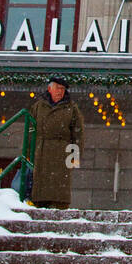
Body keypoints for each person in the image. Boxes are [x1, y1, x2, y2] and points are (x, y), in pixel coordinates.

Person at [27, 76, 84, 209]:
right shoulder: (38, 107)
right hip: (41, 152)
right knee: (40, 191)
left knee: (59, 193)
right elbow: (30, 130)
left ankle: (59, 206)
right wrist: (30, 152)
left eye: (63, 89)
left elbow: (78, 134)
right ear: (49, 89)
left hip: (62, 153)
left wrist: (74, 158)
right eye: (57, 88)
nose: (60, 91)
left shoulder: (72, 108)